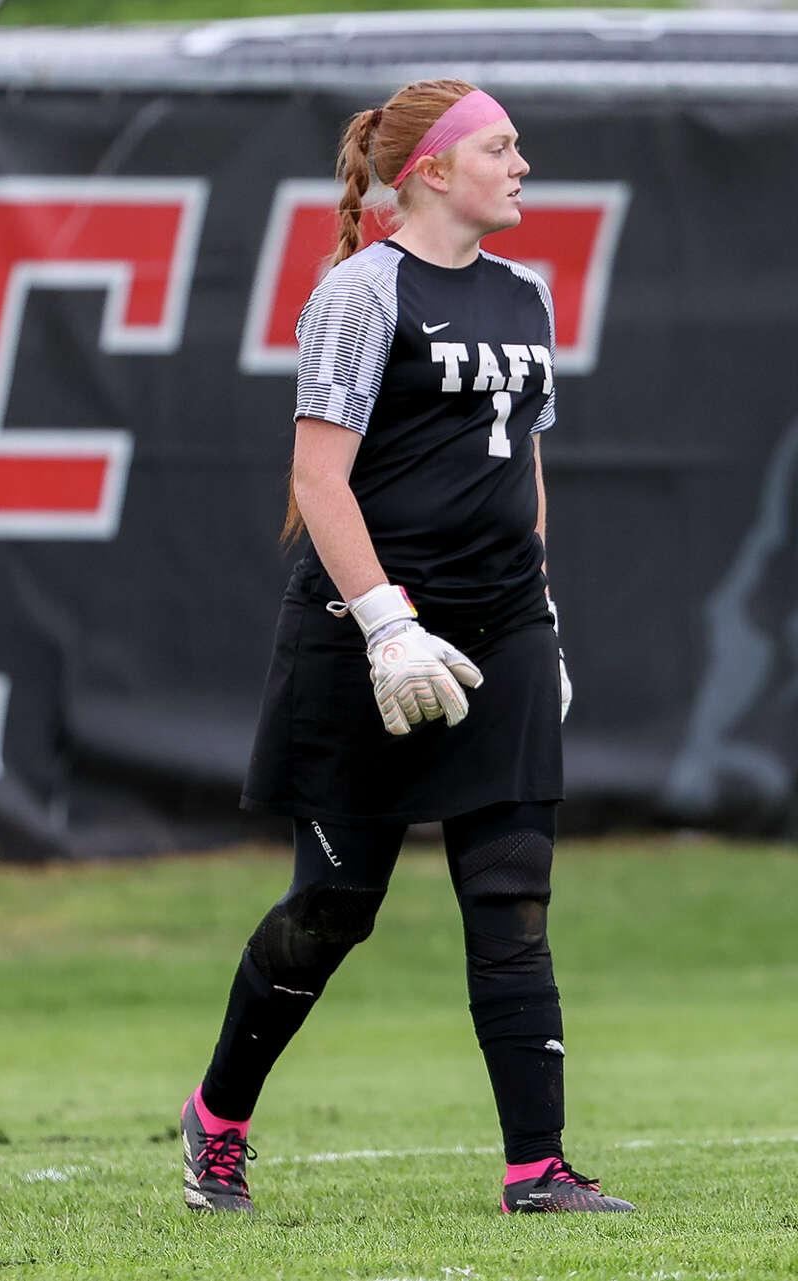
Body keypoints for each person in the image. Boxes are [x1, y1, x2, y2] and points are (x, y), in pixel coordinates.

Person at [180, 80, 633, 1215]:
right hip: (365, 636)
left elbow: (523, 473)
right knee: (335, 904)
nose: (522, 165)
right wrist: (388, 626)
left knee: (512, 894)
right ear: (432, 169)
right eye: (500, 147)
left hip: (503, 627)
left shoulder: (527, 292)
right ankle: (216, 1122)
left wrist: (542, 619)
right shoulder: (361, 291)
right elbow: (318, 480)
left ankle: (537, 1169)